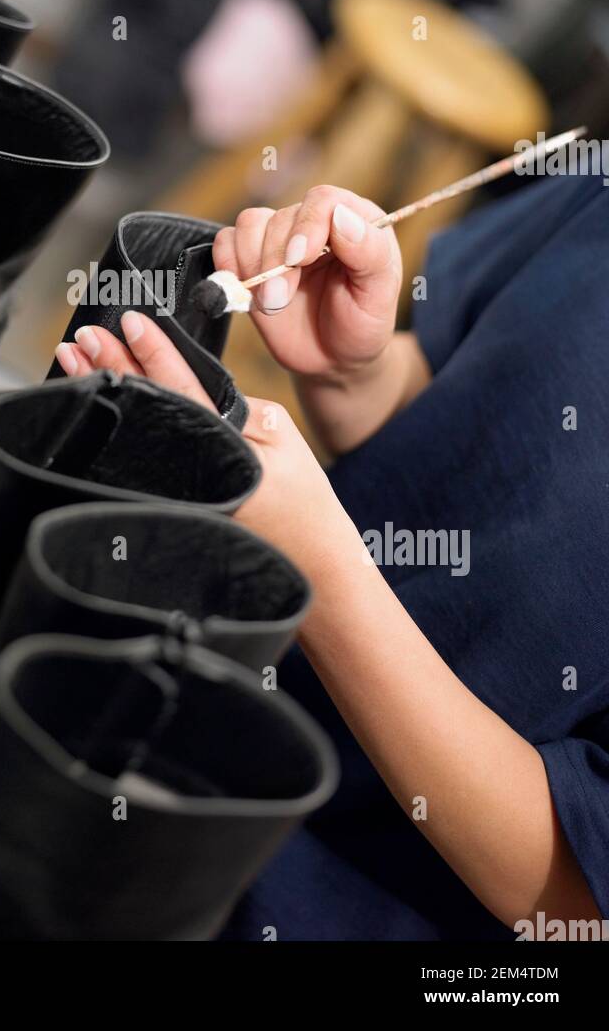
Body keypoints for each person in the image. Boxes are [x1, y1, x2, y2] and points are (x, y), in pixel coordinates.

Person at [54, 174, 608, 941]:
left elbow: (573, 905)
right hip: (192, 710)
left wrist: (322, 570)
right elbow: (478, 432)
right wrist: (352, 373)